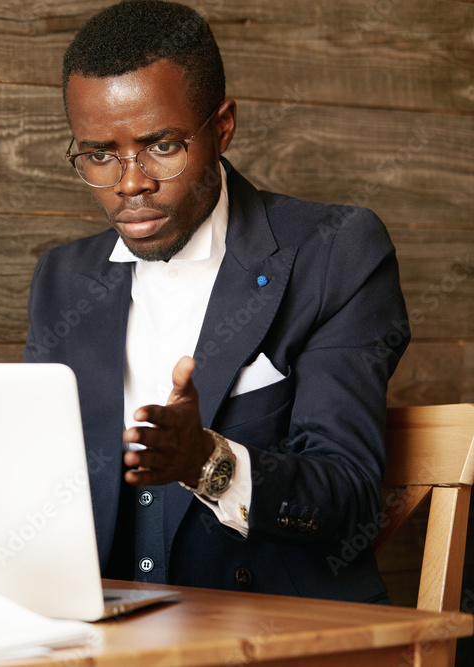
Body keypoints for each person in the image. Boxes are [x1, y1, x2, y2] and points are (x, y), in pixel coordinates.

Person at [23, 0, 409, 602]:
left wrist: (205, 458)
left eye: (162, 146)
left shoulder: (334, 251)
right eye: (99, 154)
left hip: (274, 631)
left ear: (222, 127)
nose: (131, 183)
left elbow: (350, 495)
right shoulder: (63, 279)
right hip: (105, 634)